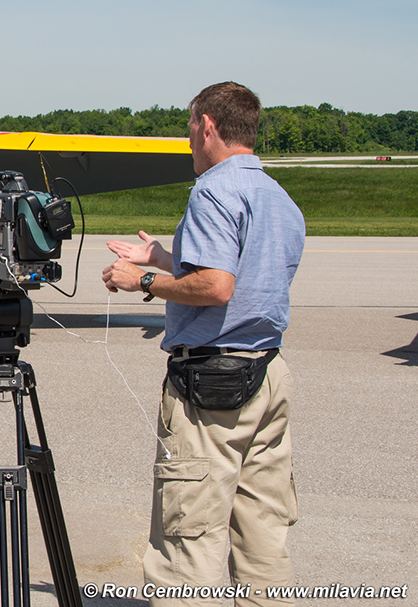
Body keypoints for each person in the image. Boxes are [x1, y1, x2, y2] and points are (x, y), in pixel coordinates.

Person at [101, 82, 305, 607]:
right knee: (262, 531)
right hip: (266, 373)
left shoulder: (213, 191)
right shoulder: (278, 197)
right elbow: (242, 277)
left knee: (187, 539)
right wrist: (163, 260)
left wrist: (139, 282)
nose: (189, 138)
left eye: (191, 127)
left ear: (208, 126)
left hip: (211, 382)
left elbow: (216, 287)